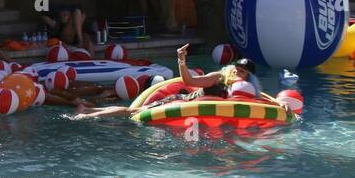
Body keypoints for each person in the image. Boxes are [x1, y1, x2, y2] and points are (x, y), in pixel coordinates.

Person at [73, 45, 265, 118]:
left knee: (133, 112)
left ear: (250, 77)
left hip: (196, 110)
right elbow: (188, 80)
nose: (238, 73)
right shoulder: (219, 78)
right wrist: (181, 60)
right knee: (134, 112)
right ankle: (88, 113)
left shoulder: (245, 91)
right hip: (183, 101)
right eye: (237, 69)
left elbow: (263, 102)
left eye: (243, 72)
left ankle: (89, 110)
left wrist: (282, 104)